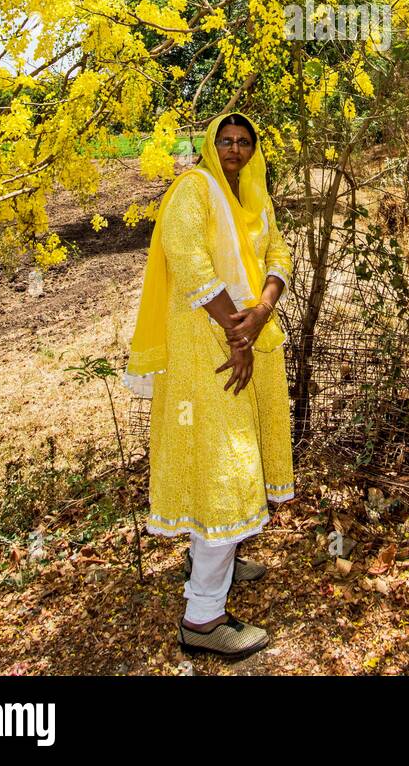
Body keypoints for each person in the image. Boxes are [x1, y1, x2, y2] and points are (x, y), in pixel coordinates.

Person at [122, 110, 294, 660]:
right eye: (226, 141)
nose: (236, 150)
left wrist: (263, 309)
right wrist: (237, 335)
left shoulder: (254, 198)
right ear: (209, 144)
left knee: (240, 456)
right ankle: (203, 618)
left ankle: (217, 559)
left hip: (249, 340)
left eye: (245, 142)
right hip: (206, 353)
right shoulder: (192, 191)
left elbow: (277, 254)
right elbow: (191, 263)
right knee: (224, 471)